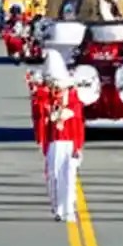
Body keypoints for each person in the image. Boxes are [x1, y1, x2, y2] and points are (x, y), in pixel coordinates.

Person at [38, 51, 84, 222]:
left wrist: (78, 146)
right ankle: (58, 208)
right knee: (54, 176)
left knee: (69, 176)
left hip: (69, 142)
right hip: (54, 142)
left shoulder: (73, 98)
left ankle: (68, 209)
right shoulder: (46, 98)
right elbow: (40, 116)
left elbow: (79, 124)